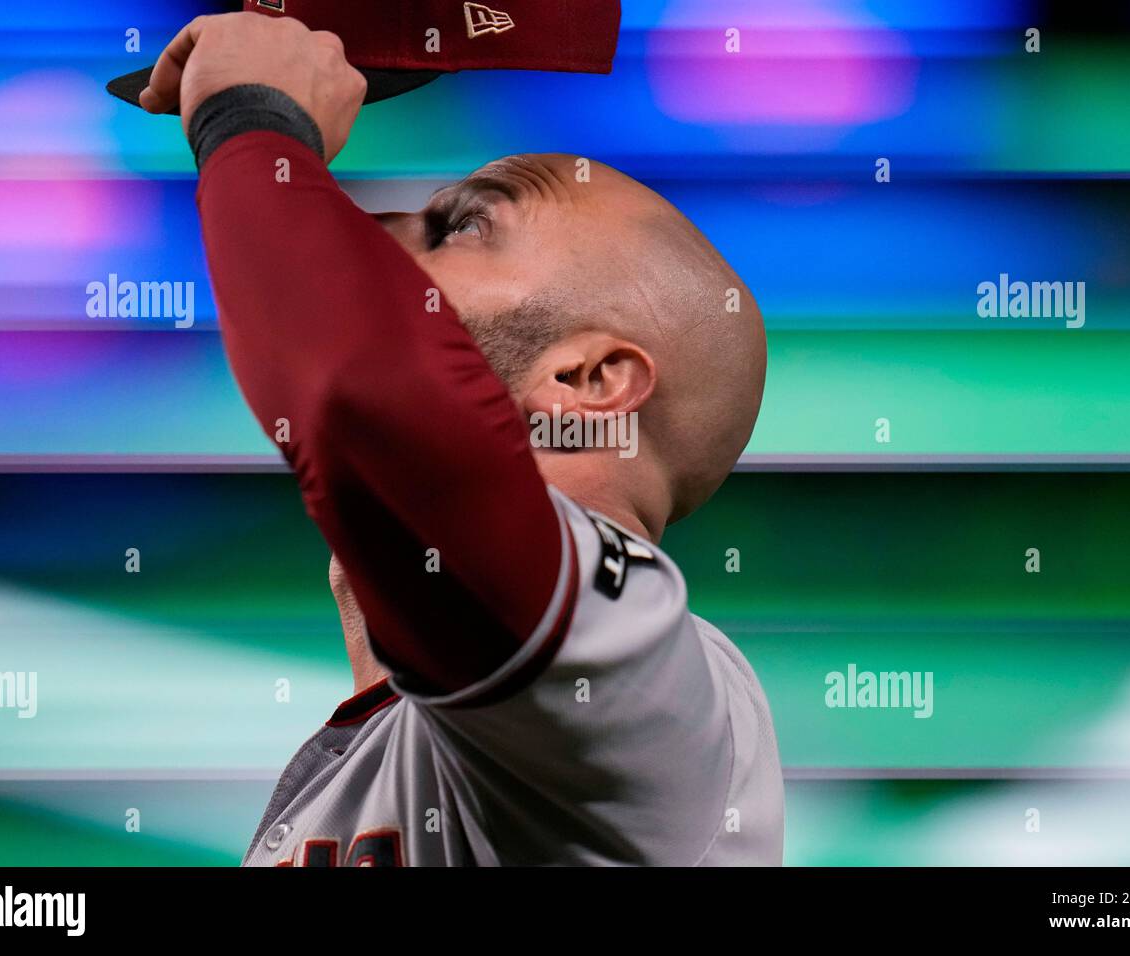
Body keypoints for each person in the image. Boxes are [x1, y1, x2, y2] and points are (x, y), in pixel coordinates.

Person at [144, 11, 782, 865]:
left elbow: (373, 406)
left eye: (462, 227)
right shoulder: (402, 754)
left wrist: (248, 118)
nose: (371, 228)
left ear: (588, 381)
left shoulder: (643, 667)